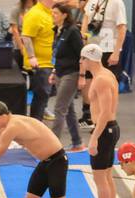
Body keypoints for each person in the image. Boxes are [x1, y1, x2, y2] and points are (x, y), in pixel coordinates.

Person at [80, 45, 119, 198]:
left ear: (89, 59)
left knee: (100, 178)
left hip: (104, 130)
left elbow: (104, 112)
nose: (80, 62)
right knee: (107, 177)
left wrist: (94, 138)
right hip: (110, 129)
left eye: (82, 59)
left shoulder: (101, 80)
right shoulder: (106, 75)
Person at [49, 2, 83, 151]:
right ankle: (77, 142)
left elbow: (82, 55)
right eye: (52, 13)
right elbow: (57, 54)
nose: (53, 16)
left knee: (59, 109)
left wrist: (82, 76)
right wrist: (53, 71)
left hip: (71, 73)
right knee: (68, 110)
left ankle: (52, 146)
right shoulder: (58, 30)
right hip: (60, 72)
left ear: (64, 15)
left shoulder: (73, 31)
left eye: (56, 13)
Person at [21, 0, 55, 122]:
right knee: (41, 96)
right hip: (39, 64)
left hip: (50, 61)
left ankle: (37, 123)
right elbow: (26, 36)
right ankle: (36, 124)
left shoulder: (51, 12)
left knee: (45, 95)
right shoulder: (34, 13)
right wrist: (31, 57)